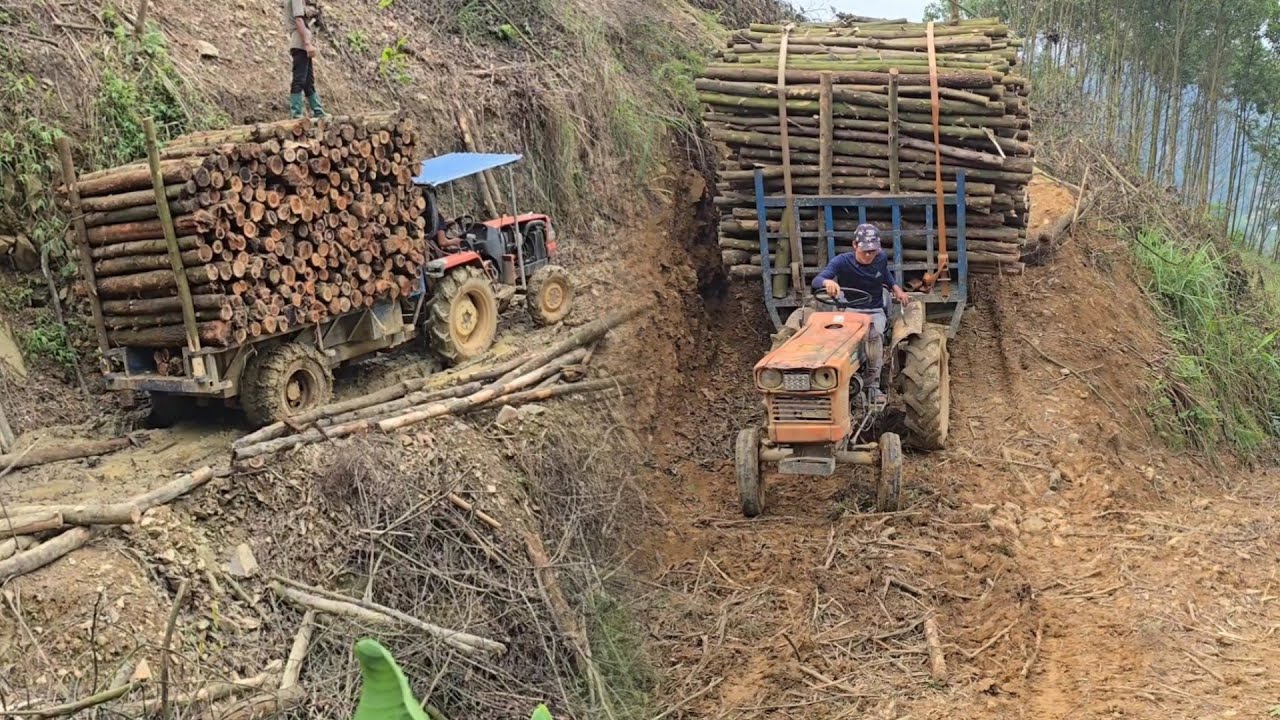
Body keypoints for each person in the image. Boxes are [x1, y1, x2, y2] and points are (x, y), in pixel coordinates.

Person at [811, 223, 910, 399]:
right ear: (854, 245)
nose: (868, 255)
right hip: (849, 310)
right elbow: (818, 280)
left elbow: (885, 275)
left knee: (873, 334)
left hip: (874, 310)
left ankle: (872, 384)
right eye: (864, 251)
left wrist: (897, 289)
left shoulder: (880, 259)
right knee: (833, 337)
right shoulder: (841, 261)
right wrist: (828, 283)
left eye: (872, 251)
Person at [284, 0, 325, 119]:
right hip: (300, 43)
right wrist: (307, 43)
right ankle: (296, 114)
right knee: (299, 79)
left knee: (308, 80)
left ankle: (318, 111)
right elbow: (298, 19)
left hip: (301, 43)